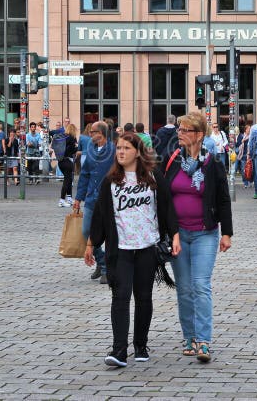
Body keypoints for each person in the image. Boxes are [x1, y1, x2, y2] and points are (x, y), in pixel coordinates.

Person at [88, 132, 180, 368]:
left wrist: (175, 235)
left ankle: (141, 344)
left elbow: (167, 206)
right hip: (120, 250)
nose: (120, 152)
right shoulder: (110, 181)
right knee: (120, 297)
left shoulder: (153, 176)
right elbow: (100, 214)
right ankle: (119, 350)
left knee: (143, 297)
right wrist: (91, 244)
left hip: (147, 247)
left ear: (138, 152)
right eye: (118, 148)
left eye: (126, 148)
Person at [164, 111, 233, 363]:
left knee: (200, 285)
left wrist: (227, 232)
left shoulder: (212, 163)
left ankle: (204, 341)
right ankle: (190, 338)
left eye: (185, 130)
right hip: (178, 234)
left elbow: (223, 199)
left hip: (205, 233)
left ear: (199, 135)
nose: (179, 133)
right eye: (179, 129)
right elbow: (164, 196)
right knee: (184, 288)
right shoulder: (171, 160)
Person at [73, 121, 116, 284]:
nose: (90, 134)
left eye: (93, 132)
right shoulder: (90, 150)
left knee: (109, 235)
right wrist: (78, 198)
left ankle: (106, 269)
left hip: (109, 199)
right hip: (91, 198)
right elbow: (84, 175)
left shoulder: (114, 150)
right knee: (86, 232)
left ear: (102, 133)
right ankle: (102, 262)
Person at [58, 123, 79, 207]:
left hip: (61, 162)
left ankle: (69, 198)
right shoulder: (72, 138)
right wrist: (77, 147)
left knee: (69, 180)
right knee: (67, 181)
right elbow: (73, 151)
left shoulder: (63, 137)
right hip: (68, 161)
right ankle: (62, 200)